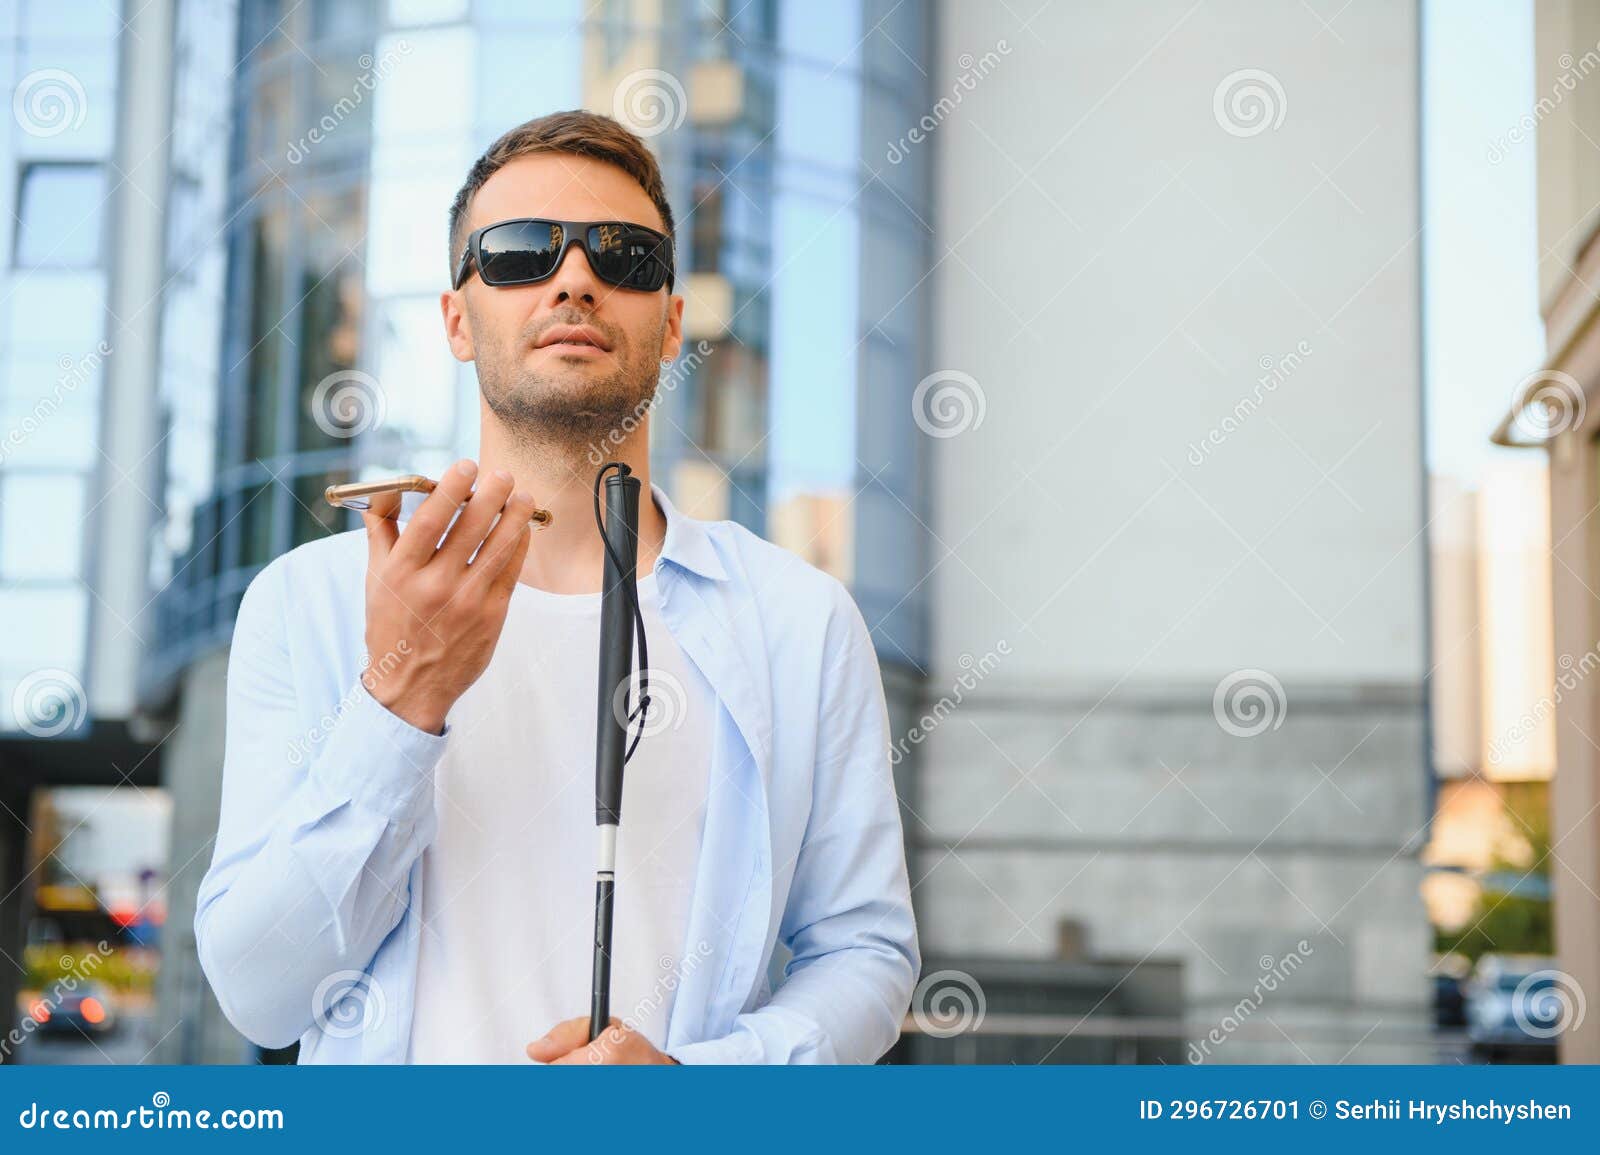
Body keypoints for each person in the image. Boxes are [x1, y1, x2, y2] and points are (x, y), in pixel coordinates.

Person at [193, 110, 920, 1065]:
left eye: (624, 257)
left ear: (670, 325)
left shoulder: (798, 620)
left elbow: (865, 952)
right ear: (458, 319)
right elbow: (260, 994)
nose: (575, 278)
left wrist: (697, 1087)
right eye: (521, 252)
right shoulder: (309, 601)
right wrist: (406, 696)